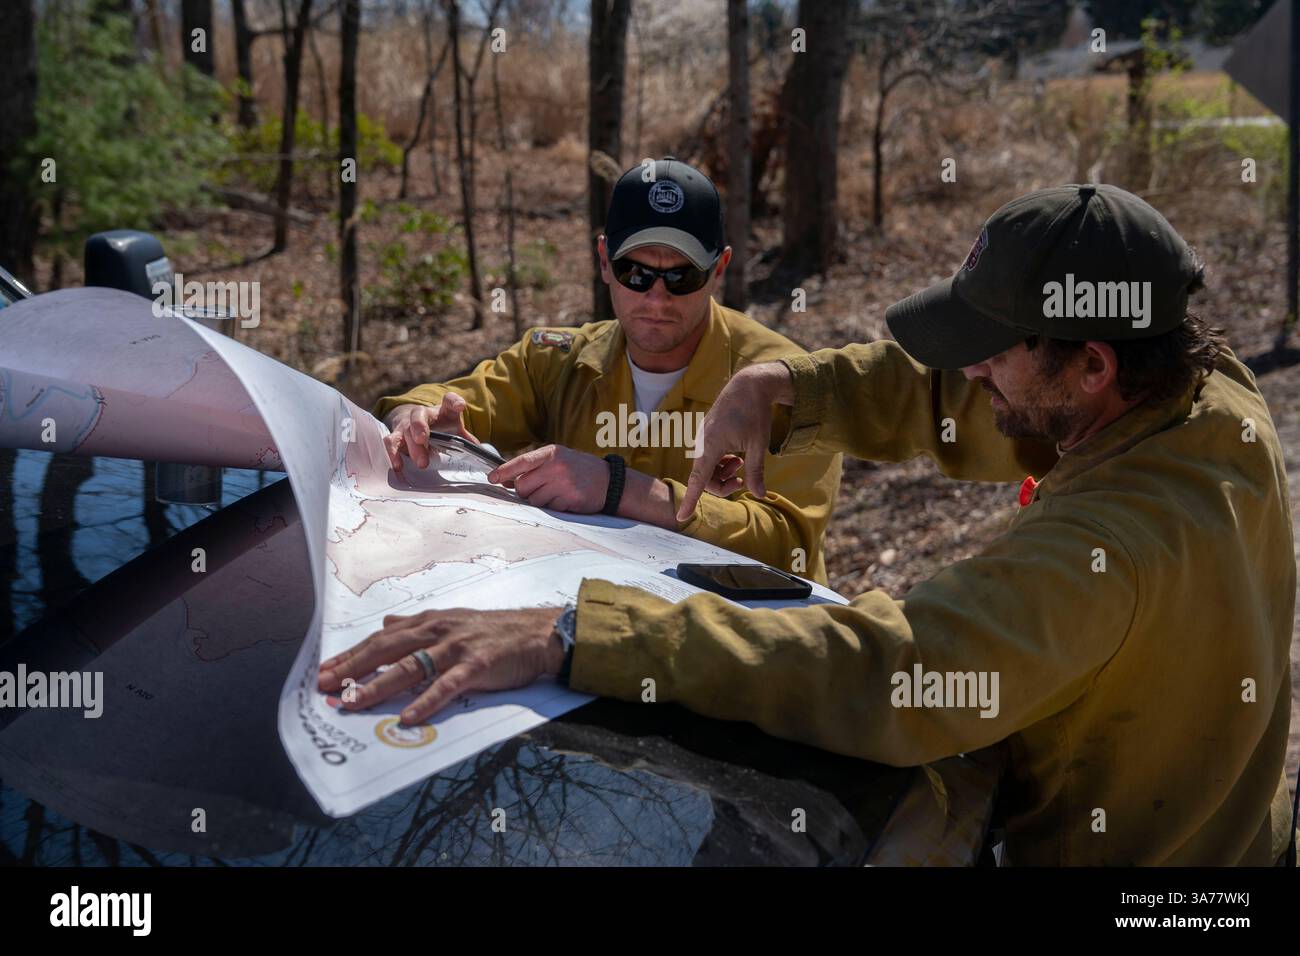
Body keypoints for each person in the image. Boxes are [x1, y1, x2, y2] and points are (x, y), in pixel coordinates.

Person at [321, 183, 1297, 865]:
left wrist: (572, 631)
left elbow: (893, 674)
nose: (970, 373)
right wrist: (792, 384)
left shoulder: (1114, 545)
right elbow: (950, 402)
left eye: (991, 352)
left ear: (1089, 364)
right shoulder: (1194, 384)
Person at [374, 157, 841, 583]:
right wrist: (417, 417)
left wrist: (619, 489)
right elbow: (452, 400)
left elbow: (790, 546)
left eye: (682, 277)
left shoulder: (783, 383)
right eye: (635, 273)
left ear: (719, 269)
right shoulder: (556, 360)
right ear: (603, 261)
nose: (656, 298)